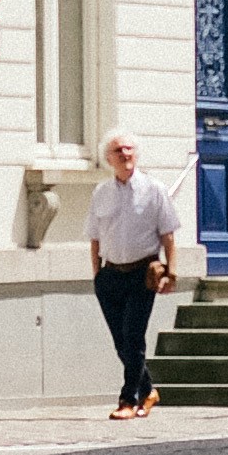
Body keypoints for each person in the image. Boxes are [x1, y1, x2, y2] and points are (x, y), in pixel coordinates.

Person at [84, 135, 178, 417]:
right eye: (117, 150)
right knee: (121, 343)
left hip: (142, 273)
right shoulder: (101, 193)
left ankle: (128, 400)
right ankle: (148, 391)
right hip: (110, 275)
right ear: (108, 158)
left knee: (133, 337)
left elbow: (168, 235)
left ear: (136, 154)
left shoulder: (154, 189)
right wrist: (97, 276)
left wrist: (171, 273)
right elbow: (94, 239)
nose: (125, 153)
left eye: (129, 148)